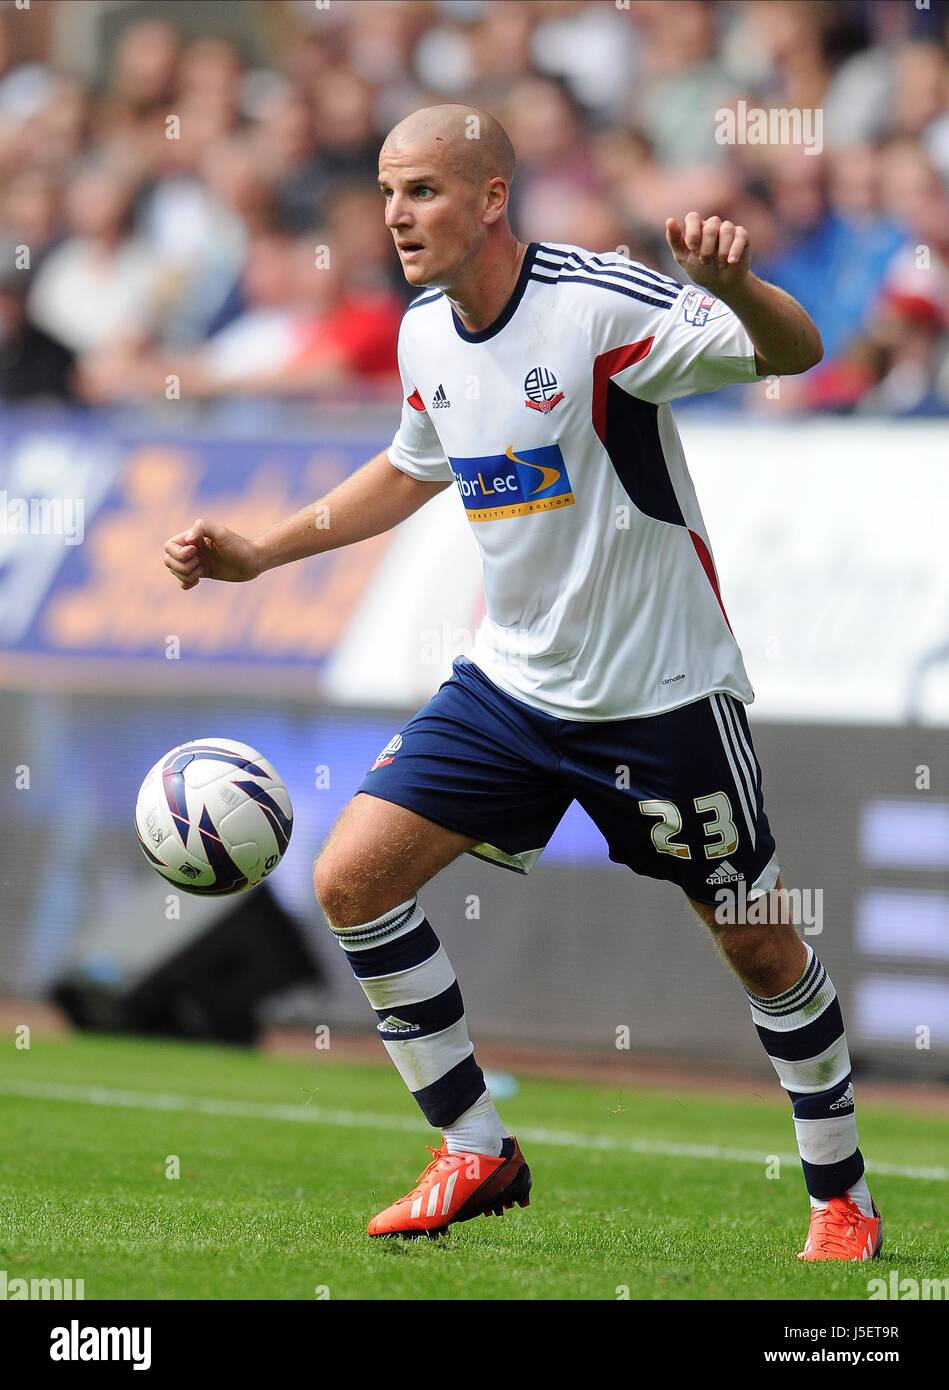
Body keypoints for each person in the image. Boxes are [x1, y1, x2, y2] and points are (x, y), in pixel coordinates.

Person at [163, 105, 882, 1262]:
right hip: (511, 690)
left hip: (662, 696)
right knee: (352, 880)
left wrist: (735, 287)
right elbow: (409, 470)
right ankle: (476, 1148)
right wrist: (259, 551)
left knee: (757, 940)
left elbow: (796, 355)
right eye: (390, 192)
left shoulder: (598, 303)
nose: (397, 214)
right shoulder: (423, 334)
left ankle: (840, 1195)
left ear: (492, 197)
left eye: (425, 192)